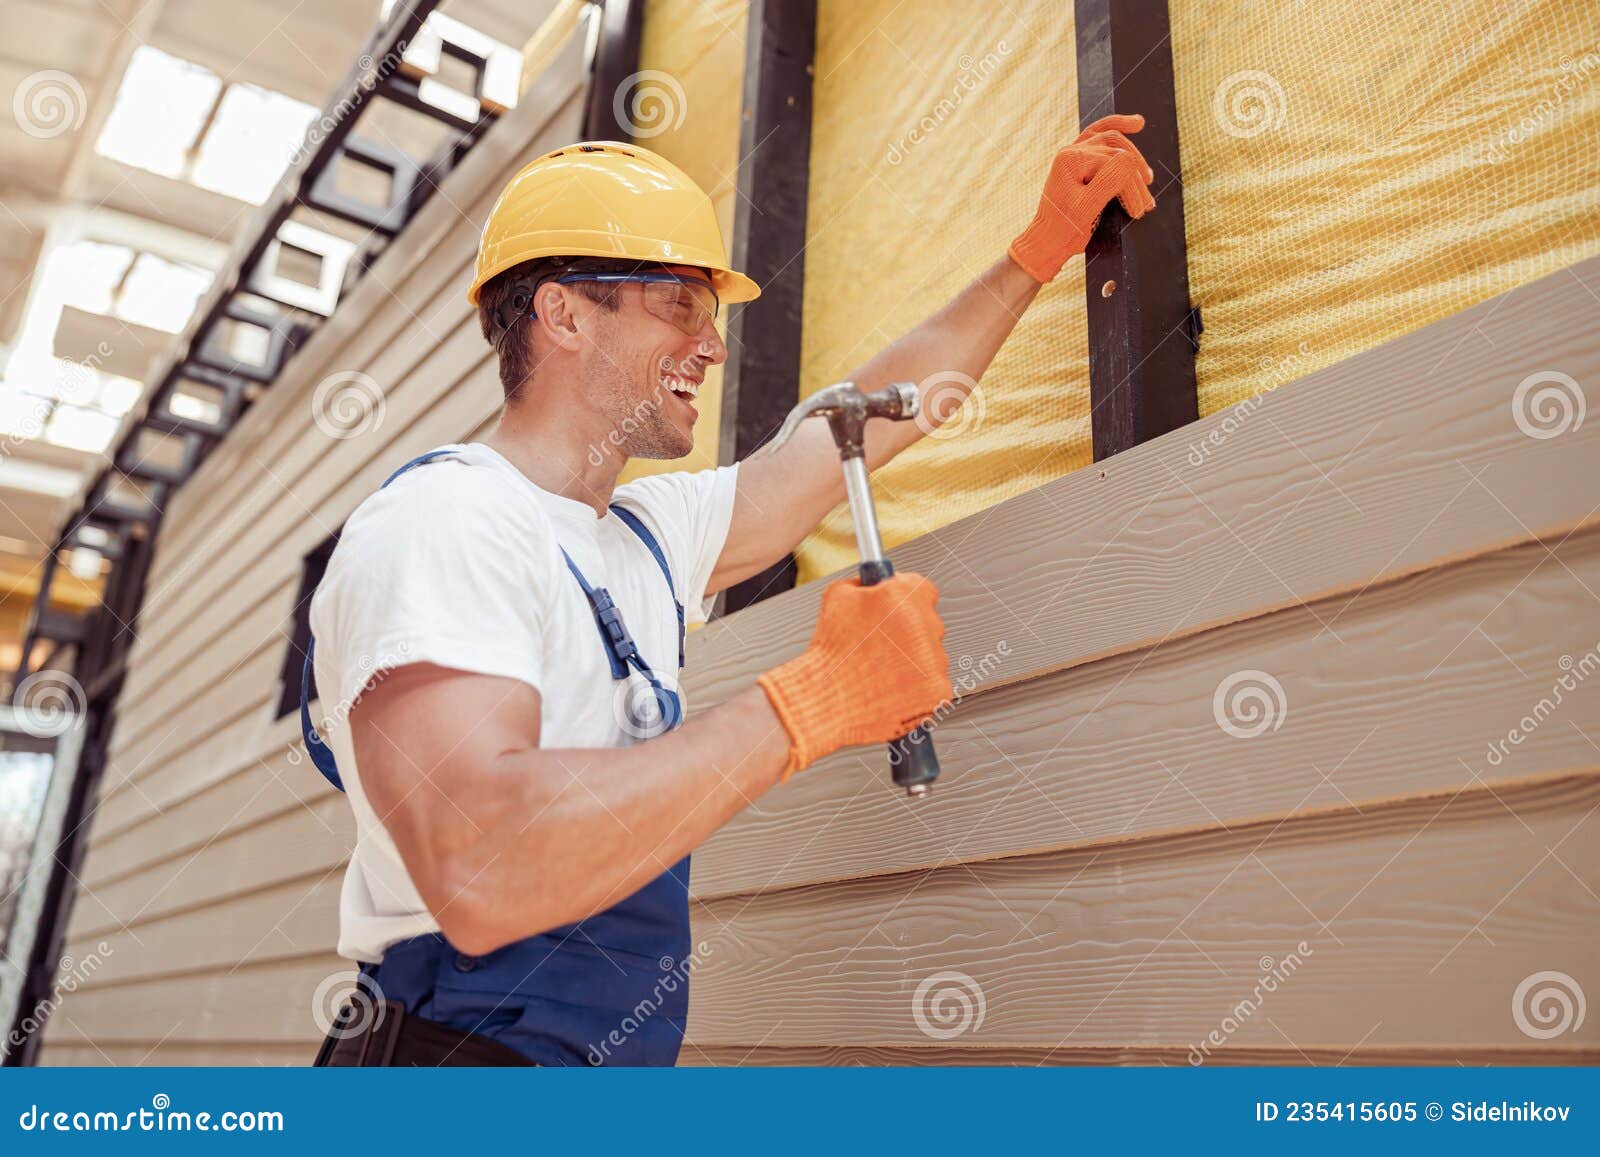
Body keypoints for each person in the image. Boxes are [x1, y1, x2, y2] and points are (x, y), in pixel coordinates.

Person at [307, 119, 1155, 1066]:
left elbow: (855, 425)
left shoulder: (641, 537)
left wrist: (1036, 253)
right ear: (566, 315)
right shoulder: (447, 520)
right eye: (679, 305)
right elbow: (480, 864)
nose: (711, 347)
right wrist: (812, 702)